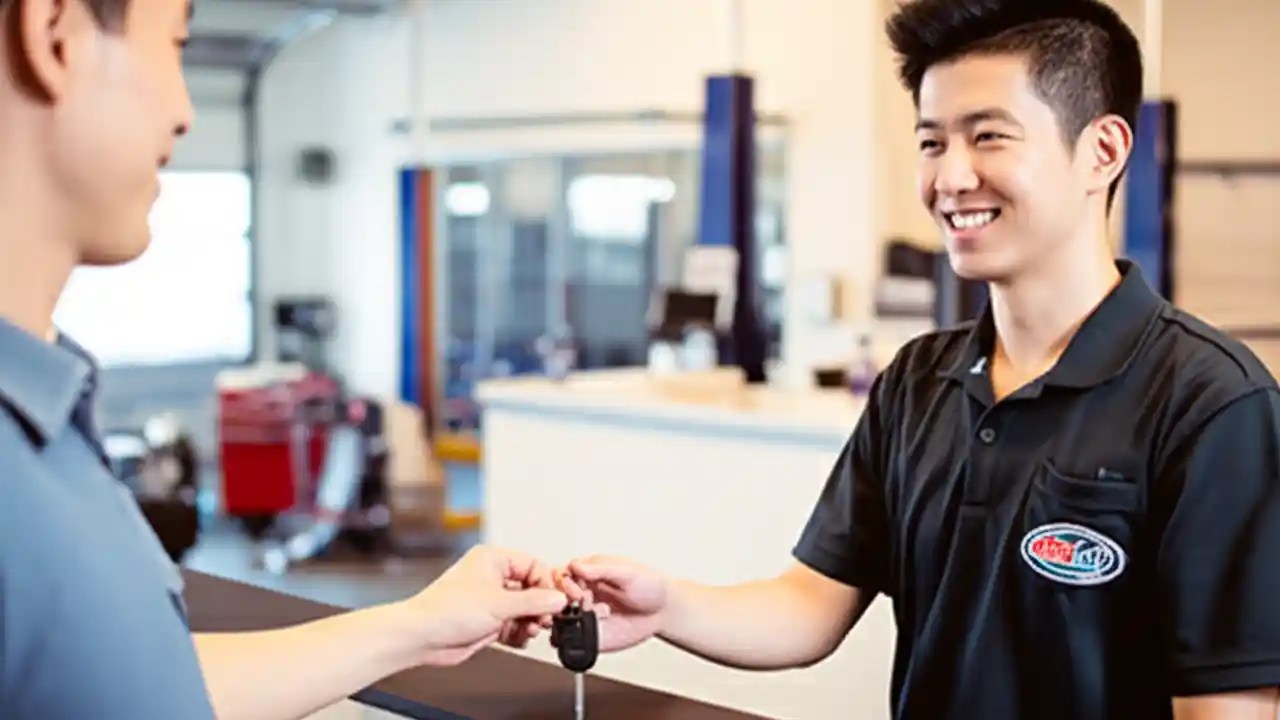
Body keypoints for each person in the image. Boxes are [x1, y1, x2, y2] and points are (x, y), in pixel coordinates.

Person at [555, 1, 1280, 719]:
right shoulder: (916, 381)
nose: (951, 178)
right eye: (932, 143)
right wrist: (666, 607)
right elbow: (809, 605)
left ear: (1104, 151)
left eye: (988, 137)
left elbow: (1227, 709)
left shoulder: (1211, 404)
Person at [0, 1, 566, 718]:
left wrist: (419, 625)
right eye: (173, 44)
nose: (184, 112)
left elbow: (132, 687)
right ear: (54, 34)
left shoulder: (45, 418)